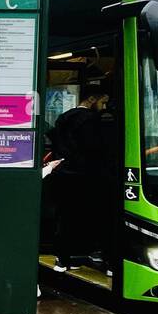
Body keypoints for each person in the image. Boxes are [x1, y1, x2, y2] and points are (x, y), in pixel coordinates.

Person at [49, 83, 109, 271]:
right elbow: (95, 149)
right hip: (84, 175)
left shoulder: (64, 118)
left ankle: (63, 258)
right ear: (92, 99)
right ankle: (90, 253)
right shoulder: (91, 120)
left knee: (65, 216)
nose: (104, 107)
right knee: (90, 215)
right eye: (102, 102)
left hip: (63, 173)